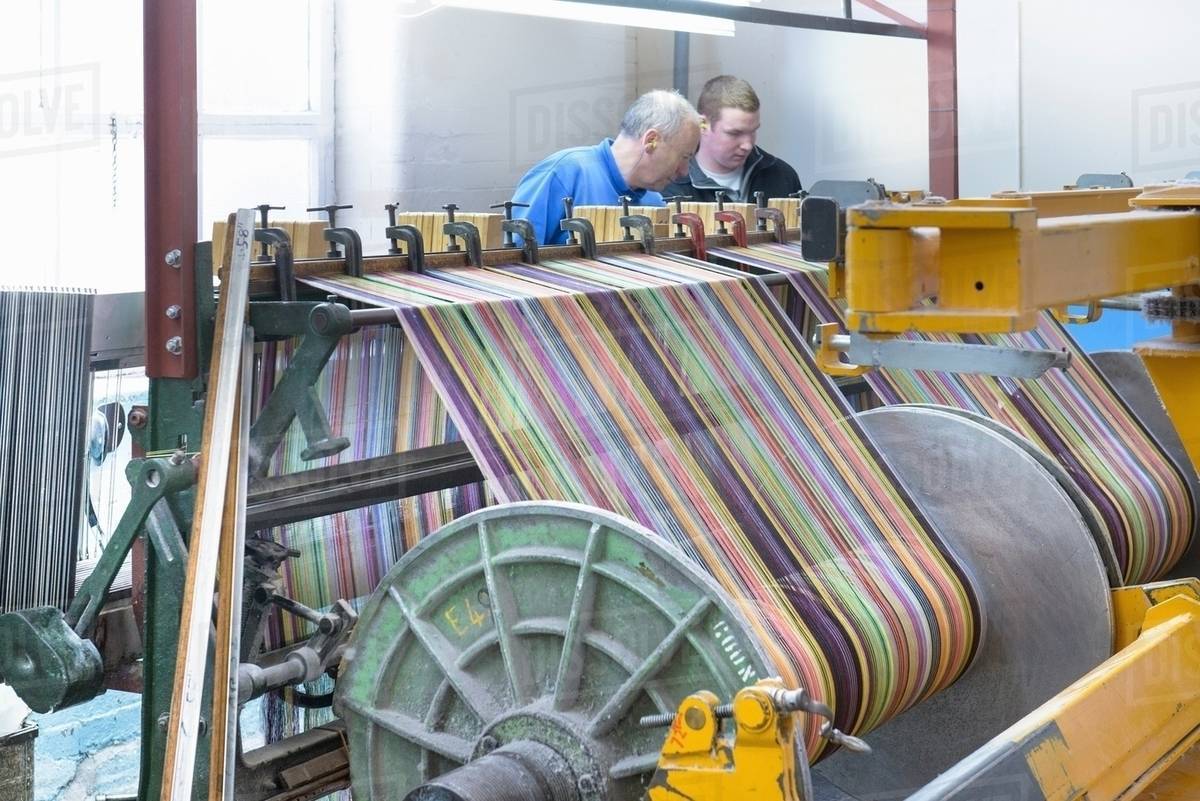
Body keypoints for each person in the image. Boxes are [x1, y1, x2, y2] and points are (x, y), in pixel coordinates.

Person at [511, 89, 701, 245]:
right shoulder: (563, 174)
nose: (684, 171)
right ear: (651, 140)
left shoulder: (655, 204)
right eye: (684, 157)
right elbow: (513, 260)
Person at [662, 75, 802, 203]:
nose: (747, 145)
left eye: (753, 131)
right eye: (735, 133)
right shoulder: (667, 185)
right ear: (703, 125)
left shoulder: (782, 176)